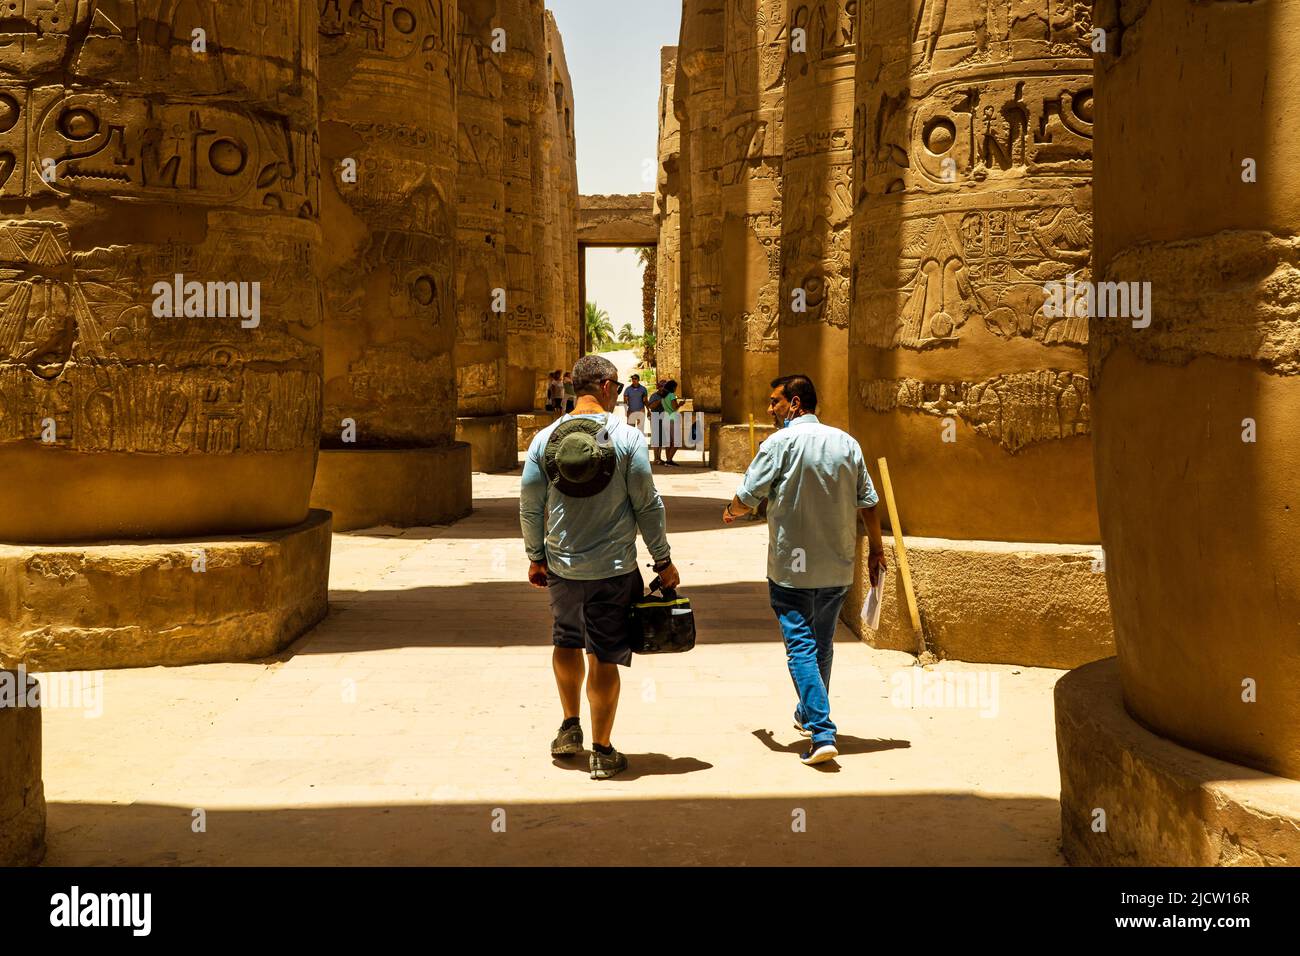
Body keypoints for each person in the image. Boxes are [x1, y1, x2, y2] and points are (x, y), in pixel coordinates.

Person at [520, 354, 682, 780]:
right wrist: (662, 560)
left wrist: (536, 556)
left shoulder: (544, 440)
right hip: (612, 569)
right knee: (604, 657)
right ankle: (603, 750)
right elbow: (647, 505)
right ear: (609, 387)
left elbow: (531, 506)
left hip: (561, 569)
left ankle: (569, 727)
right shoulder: (627, 439)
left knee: (566, 641)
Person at [722, 374, 887, 766]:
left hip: (791, 569)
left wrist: (731, 511)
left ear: (795, 404)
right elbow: (868, 503)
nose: (769, 409)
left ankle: (823, 731)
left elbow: (748, 496)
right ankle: (806, 713)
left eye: (774, 402)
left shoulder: (778, 444)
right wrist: (876, 550)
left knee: (800, 646)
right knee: (821, 643)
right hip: (836, 565)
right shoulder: (847, 443)